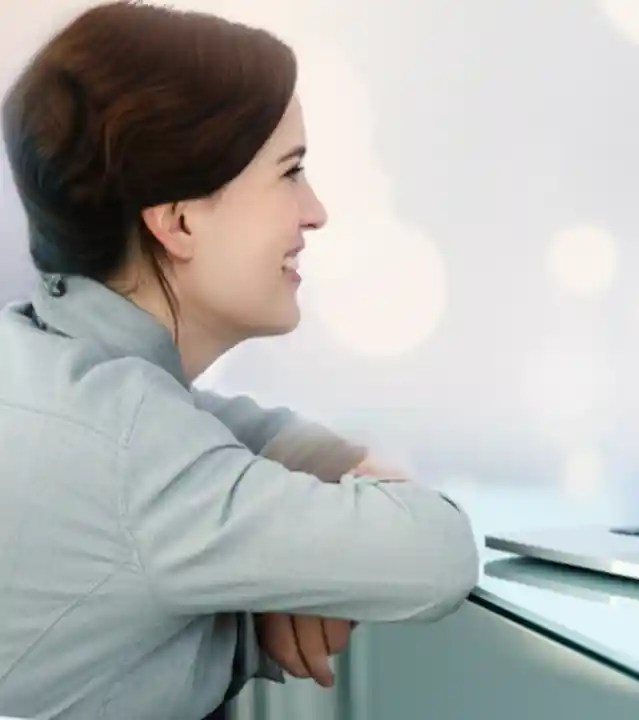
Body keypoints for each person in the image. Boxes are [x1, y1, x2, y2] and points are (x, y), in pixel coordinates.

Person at [0, 3, 478, 719]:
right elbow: (439, 553)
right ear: (180, 219)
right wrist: (278, 591)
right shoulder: (136, 456)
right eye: (290, 173)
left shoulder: (47, 364)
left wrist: (316, 480)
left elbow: (197, 428)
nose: (314, 211)